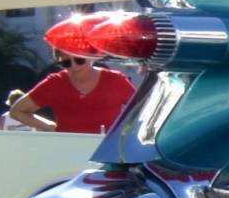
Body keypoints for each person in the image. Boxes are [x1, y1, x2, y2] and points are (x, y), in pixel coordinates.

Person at [8, 51, 136, 135]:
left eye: (79, 60)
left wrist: (124, 133)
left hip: (106, 150)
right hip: (66, 149)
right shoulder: (54, 83)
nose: (74, 66)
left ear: (91, 57)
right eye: (66, 62)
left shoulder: (115, 80)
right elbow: (17, 111)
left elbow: (143, 110)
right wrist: (49, 126)